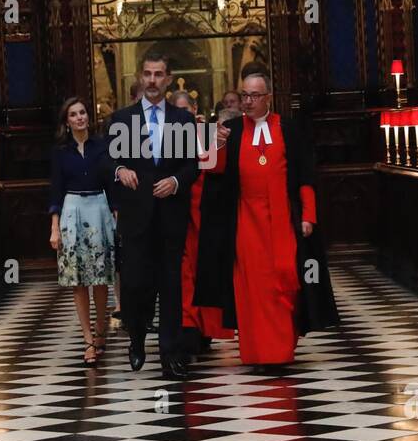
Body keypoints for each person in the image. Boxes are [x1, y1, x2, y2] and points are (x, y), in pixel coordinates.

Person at [195, 65, 338, 373]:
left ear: (268, 97)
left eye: (254, 95)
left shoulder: (288, 129)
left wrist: (308, 216)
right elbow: (211, 170)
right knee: (250, 287)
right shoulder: (231, 132)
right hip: (246, 220)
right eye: (244, 95)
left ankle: (280, 351)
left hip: (282, 218)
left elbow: (305, 176)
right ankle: (257, 353)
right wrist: (216, 143)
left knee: (283, 283)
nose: (247, 101)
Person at [100, 51, 199, 379]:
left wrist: (174, 181)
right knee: (136, 285)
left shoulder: (182, 120)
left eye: (159, 75)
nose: (153, 81)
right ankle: (138, 338)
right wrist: (120, 170)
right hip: (135, 217)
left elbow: (192, 166)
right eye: (148, 74)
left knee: (171, 286)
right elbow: (107, 163)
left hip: (170, 215)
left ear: (168, 79)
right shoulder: (121, 120)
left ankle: (170, 353)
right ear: (140, 78)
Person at [49, 97, 115, 366]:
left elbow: (112, 182)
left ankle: (101, 330)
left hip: (99, 207)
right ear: (67, 121)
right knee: (78, 280)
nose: (80, 117)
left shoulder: (102, 146)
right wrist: (55, 228)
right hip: (72, 210)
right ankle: (87, 339)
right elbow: (55, 189)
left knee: (100, 277)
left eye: (83, 112)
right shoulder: (60, 152)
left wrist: (116, 215)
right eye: (74, 114)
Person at [181, 108, 237, 357]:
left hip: (209, 217)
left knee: (207, 275)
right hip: (183, 218)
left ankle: (205, 331)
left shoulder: (207, 138)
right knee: (186, 278)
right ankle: (190, 331)